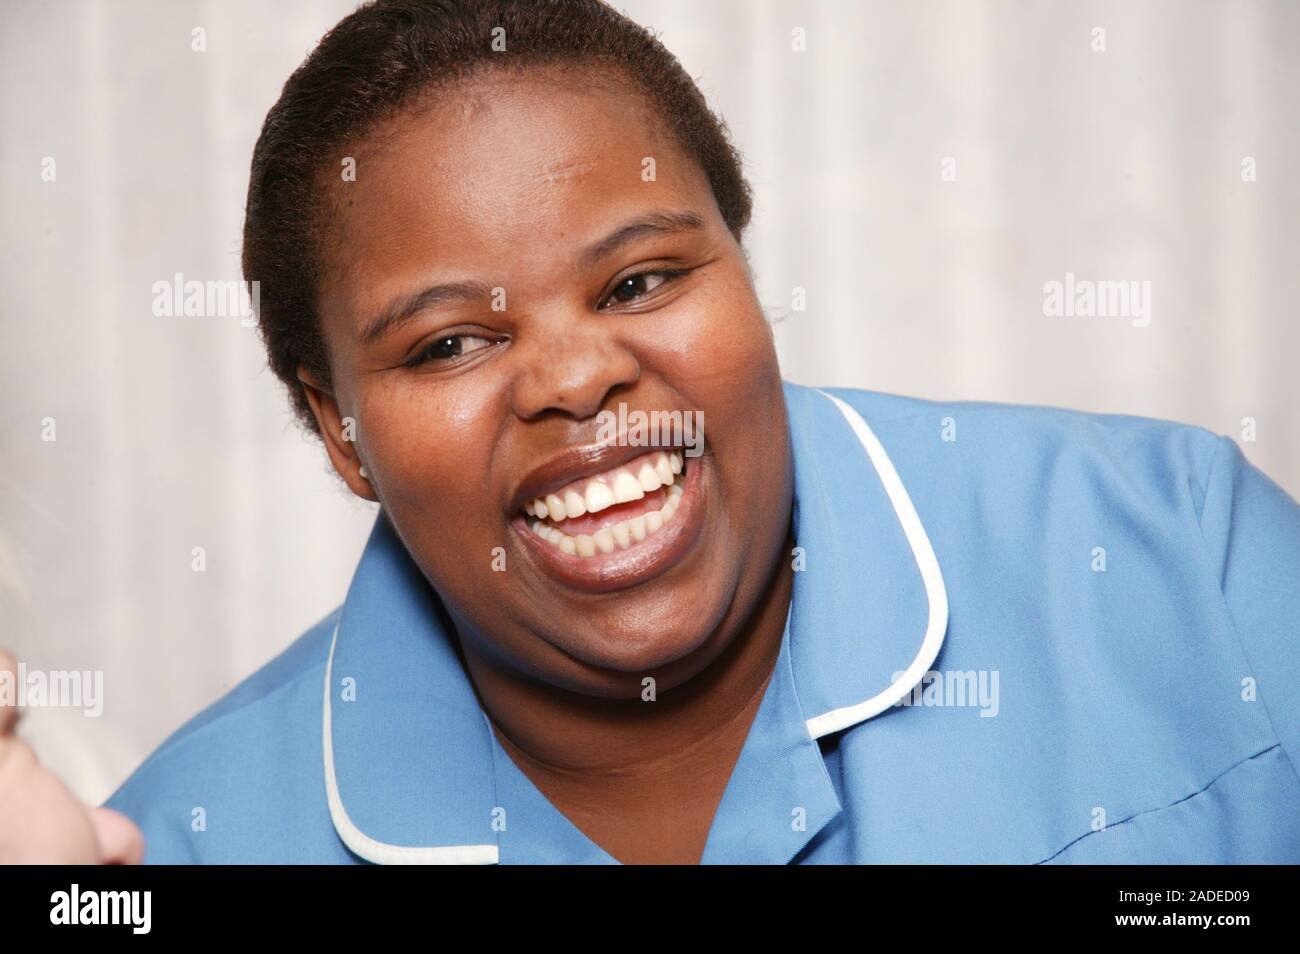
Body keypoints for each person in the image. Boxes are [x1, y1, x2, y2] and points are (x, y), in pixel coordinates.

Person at [2, 0, 1298, 865]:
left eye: (639, 282)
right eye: (450, 342)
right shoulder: (184, 839)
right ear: (341, 435)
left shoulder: (1180, 554)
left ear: (742, 263)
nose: (573, 376)